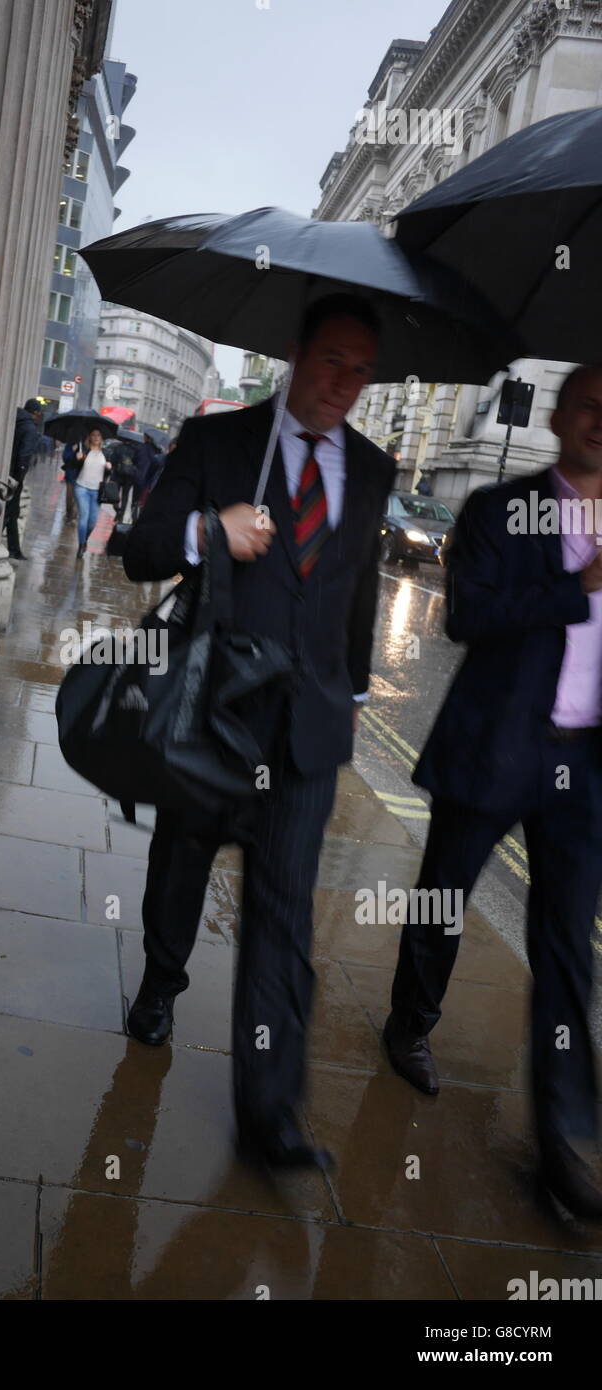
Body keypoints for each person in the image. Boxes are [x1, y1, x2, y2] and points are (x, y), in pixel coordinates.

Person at [122, 294, 395, 1173]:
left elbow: (357, 594)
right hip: (217, 716)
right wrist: (212, 529)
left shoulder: (373, 468)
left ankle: (271, 1112)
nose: (344, 384)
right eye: (331, 362)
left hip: (307, 735)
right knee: (181, 863)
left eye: (361, 370)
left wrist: (350, 691)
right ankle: (162, 981)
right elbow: (141, 548)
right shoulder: (221, 443)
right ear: (294, 352)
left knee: (282, 917)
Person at [384, 363, 602, 1220]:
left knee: (564, 951)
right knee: (444, 900)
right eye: (591, 407)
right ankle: (411, 1023)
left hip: (585, 769)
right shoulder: (498, 509)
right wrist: (577, 586)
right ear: (558, 415)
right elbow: (467, 616)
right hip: (498, 747)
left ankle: (563, 1143)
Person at [4, 398, 42, 560]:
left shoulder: (14, 420)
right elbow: (24, 455)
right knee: (10, 511)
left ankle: (15, 549)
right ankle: (13, 549)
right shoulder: (30, 429)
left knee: (11, 511)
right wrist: (19, 478)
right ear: (35, 414)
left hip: (5, 470)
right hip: (14, 476)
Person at [71, 427, 112, 559]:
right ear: (89, 437)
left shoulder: (106, 452)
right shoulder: (83, 450)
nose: (96, 438)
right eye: (93, 435)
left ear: (101, 438)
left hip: (96, 491)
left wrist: (109, 468)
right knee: (83, 517)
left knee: (92, 522)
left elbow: (109, 473)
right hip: (81, 487)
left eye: (98, 435)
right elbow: (71, 465)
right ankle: (82, 544)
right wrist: (76, 458)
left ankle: (84, 539)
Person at [61, 441, 82, 524]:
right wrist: (73, 451)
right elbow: (65, 458)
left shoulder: (85, 445)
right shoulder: (70, 444)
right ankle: (69, 513)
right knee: (69, 497)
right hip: (70, 475)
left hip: (81, 475)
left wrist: (82, 456)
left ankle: (73, 515)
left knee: (77, 497)